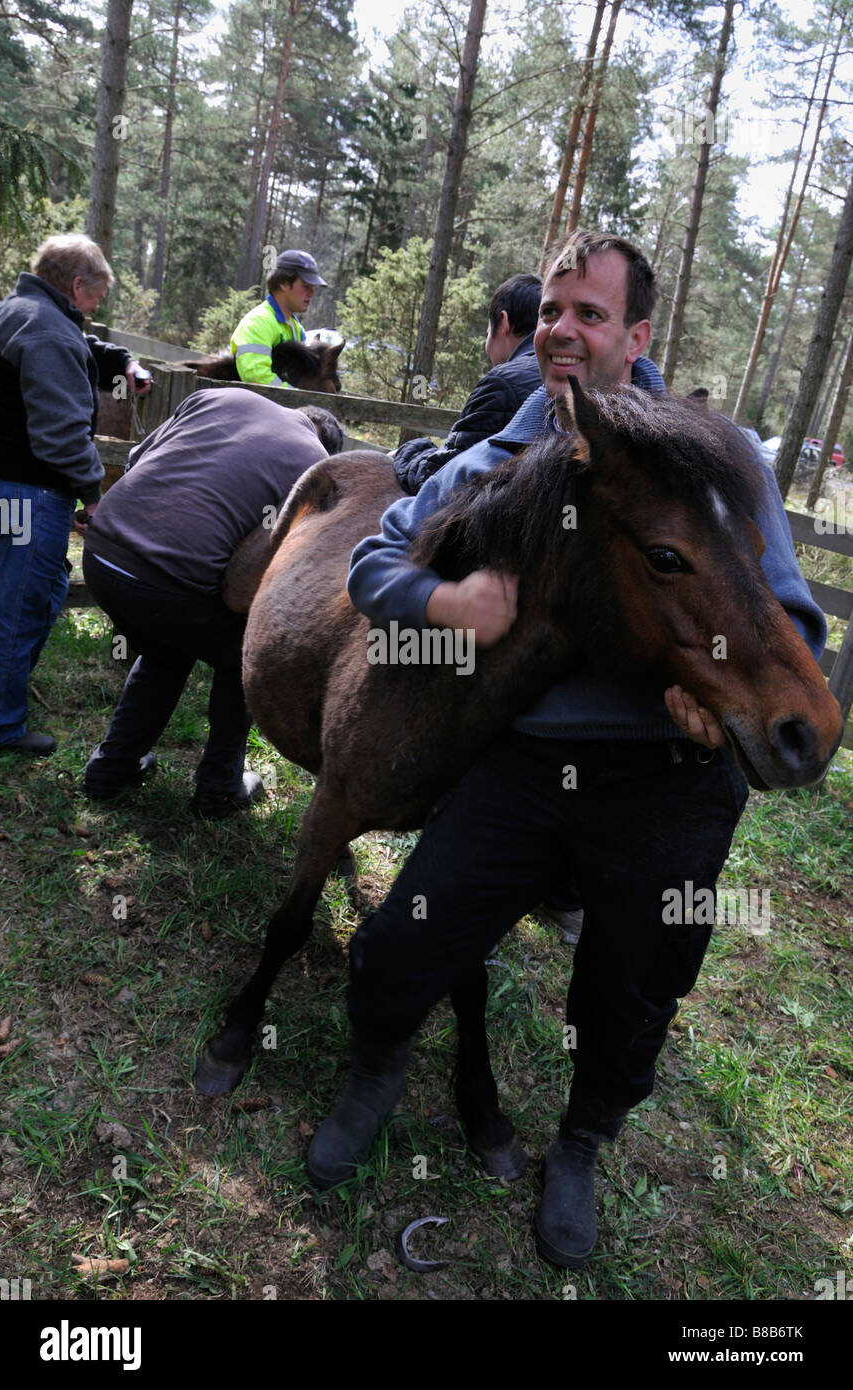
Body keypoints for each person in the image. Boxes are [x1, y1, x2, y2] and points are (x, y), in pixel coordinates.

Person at [305, 229, 827, 1269]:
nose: (559, 329)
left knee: (633, 983)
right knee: (407, 935)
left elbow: (790, 624)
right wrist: (443, 597)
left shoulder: (711, 460)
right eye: (549, 310)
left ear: (635, 335)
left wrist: (715, 690)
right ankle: (376, 1068)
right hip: (526, 762)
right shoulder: (503, 450)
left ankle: (582, 1139)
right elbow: (371, 561)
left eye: (588, 313)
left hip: (668, 781)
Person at [81, 391, 342, 819]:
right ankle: (220, 787)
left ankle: (112, 767)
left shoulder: (221, 397)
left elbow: (136, 460)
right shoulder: (316, 464)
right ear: (328, 445)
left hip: (102, 552)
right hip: (166, 581)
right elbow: (287, 557)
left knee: (168, 646)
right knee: (245, 649)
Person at [0, 234, 151, 755]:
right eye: (96, 295)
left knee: (37, 593)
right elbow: (60, 433)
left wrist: (123, 362)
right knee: (20, 610)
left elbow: (81, 347)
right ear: (76, 284)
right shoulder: (48, 331)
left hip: (7, 488)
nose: (96, 305)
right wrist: (92, 494)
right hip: (29, 493)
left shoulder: (21, 310)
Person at [392, 273, 544, 495]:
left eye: (486, 330)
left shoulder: (502, 384)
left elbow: (445, 477)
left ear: (503, 323)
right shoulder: (577, 375)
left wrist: (406, 451)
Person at [231, 250, 326, 389]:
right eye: (305, 286)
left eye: (313, 287)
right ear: (283, 283)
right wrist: (299, 397)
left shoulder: (296, 328)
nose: (311, 293)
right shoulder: (258, 322)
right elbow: (256, 377)